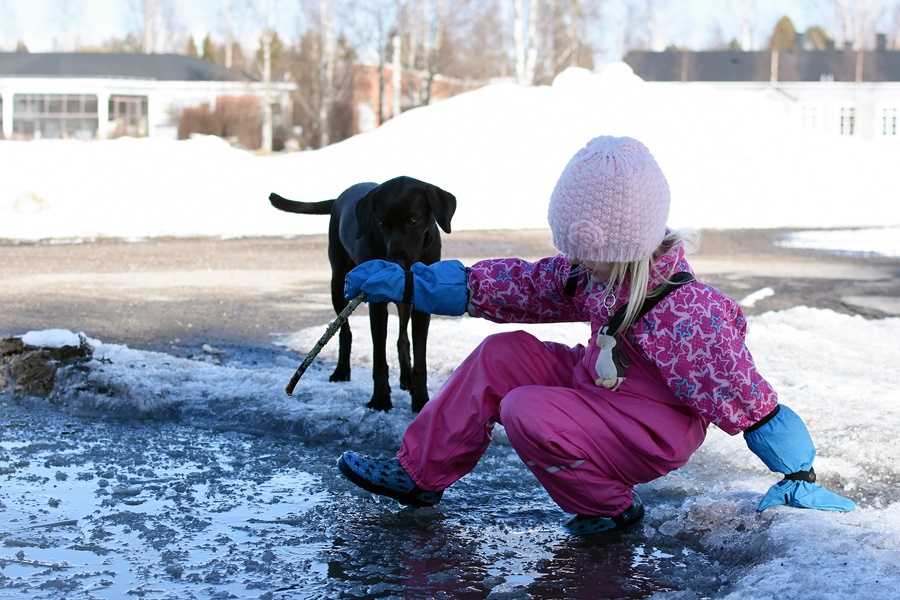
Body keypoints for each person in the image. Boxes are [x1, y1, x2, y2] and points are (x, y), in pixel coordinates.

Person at [335, 135, 856, 535]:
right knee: (502, 354)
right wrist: (410, 282)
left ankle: (608, 503)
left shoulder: (684, 314)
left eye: (583, 247)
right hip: (600, 388)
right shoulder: (592, 274)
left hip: (651, 431)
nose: (574, 259)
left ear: (625, 241)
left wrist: (798, 474)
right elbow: (511, 285)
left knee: (526, 409)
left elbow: (746, 397)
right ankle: (419, 474)